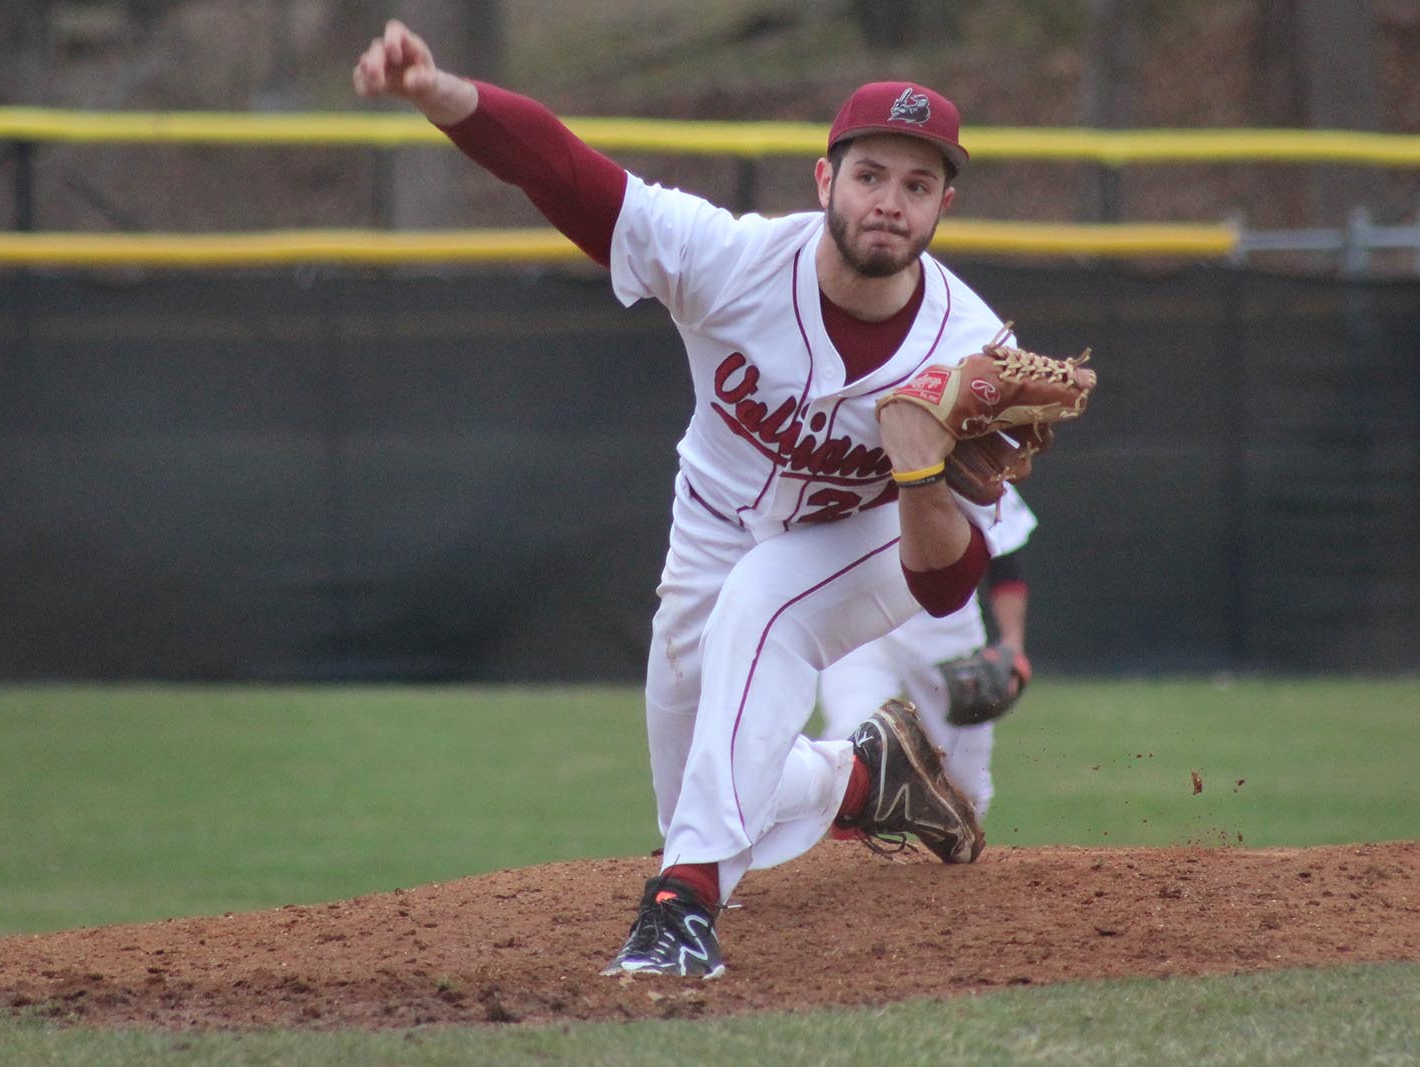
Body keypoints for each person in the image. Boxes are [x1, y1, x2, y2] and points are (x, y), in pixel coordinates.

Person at [354, 20, 1049, 980]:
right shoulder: (732, 260)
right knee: (705, 790)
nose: (891, 201)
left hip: (873, 540)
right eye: (872, 175)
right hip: (712, 523)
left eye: (918, 184)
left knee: (764, 605)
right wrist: (443, 94)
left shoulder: (967, 350)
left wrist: (923, 470)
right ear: (824, 182)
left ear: (943, 206)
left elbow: (946, 587)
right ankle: (859, 776)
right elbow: (566, 172)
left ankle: (682, 911)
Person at [817, 487, 1035, 821]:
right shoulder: (842, 448)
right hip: (856, 618)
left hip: (942, 622)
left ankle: (957, 862)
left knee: (964, 786)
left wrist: (1013, 644)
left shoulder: (958, 451)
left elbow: (1004, 555)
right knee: (850, 741)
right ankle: (855, 866)